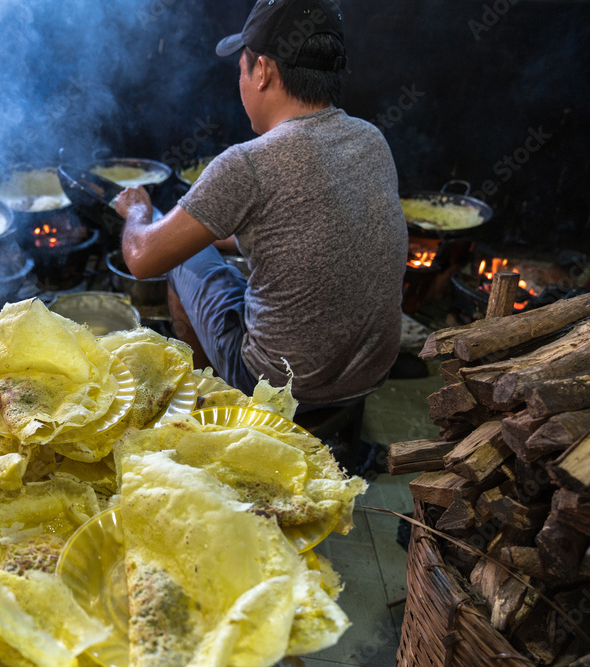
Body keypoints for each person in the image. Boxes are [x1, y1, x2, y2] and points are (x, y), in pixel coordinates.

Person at [116, 0, 407, 411]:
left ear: (264, 71)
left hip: (279, 390)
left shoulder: (247, 162)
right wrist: (218, 239)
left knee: (177, 261)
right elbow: (309, 232)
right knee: (201, 248)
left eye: (241, 69)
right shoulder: (371, 140)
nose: (242, 81)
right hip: (369, 375)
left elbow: (142, 258)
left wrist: (138, 210)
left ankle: (209, 408)